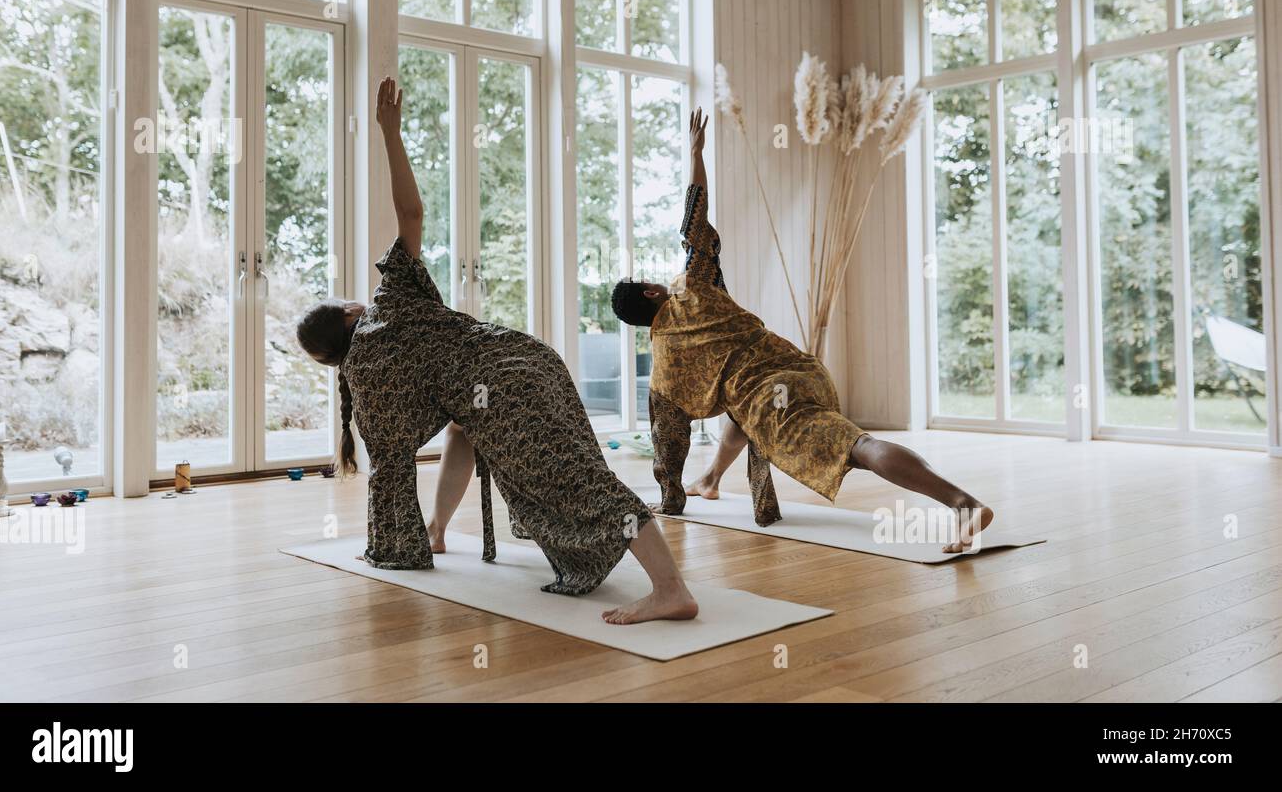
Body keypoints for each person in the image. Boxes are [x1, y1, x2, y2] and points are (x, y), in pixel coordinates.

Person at [296, 77, 697, 623]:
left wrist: (392, 546)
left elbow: (389, 470)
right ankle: (439, 530)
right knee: (473, 429)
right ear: (349, 312)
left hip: (504, 387)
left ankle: (671, 589)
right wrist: (390, 132)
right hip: (527, 358)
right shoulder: (389, 299)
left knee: (579, 481)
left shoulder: (365, 373)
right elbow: (411, 213)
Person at [609, 108, 993, 554]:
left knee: (857, 447)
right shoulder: (692, 286)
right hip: (803, 371)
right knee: (742, 407)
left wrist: (669, 499)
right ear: (652, 291)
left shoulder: (665, 366)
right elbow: (694, 217)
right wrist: (696, 153)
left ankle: (964, 504)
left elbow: (667, 440)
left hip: (776, 401)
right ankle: (711, 479)